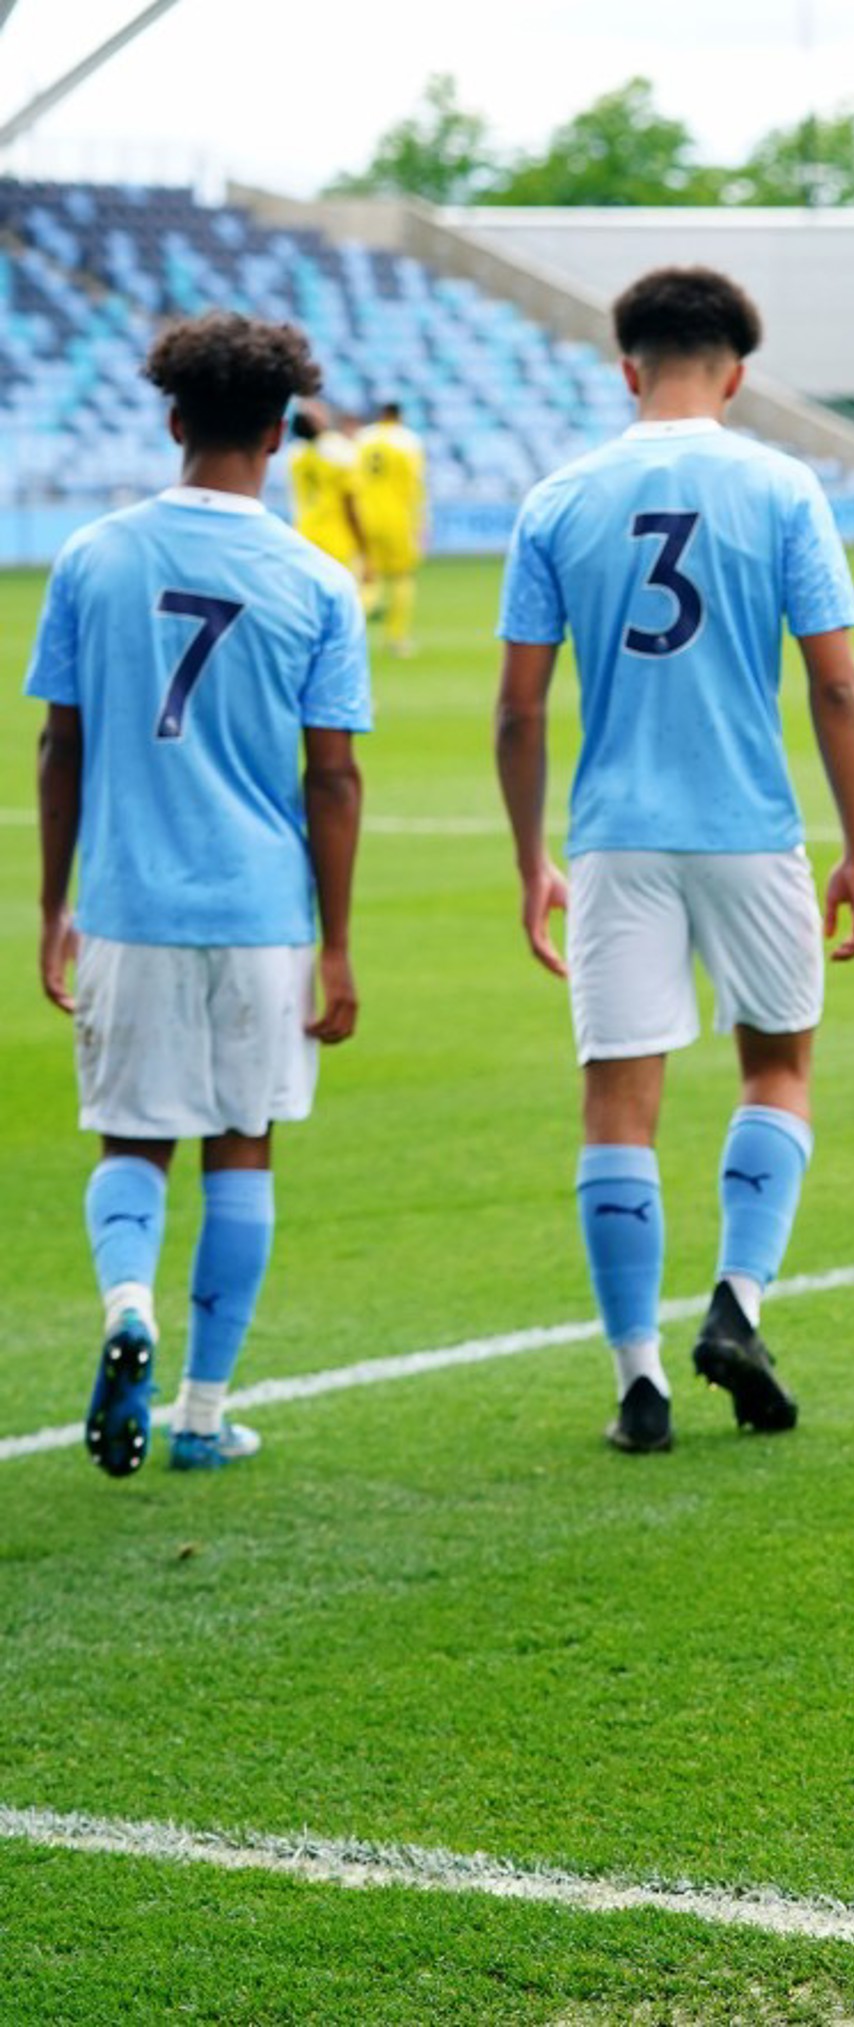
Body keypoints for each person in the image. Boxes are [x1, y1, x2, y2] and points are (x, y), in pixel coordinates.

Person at [494, 265, 854, 1456]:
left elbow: (518, 707)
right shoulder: (782, 485)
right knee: (779, 1068)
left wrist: (530, 858)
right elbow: (836, 683)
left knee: (619, 1100)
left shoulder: (559, 497)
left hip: (615, 835)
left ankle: (639, 1383)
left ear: (627, 367)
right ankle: (738, 1303)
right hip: (750, 827)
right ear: (737, 373)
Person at [27, 312, 369, 1477]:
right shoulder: (316, 580)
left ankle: (129, 1303)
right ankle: (203, 1416)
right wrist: (337, 943)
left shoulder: (92, 556)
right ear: (279, 433)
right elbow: (333, 775)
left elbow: (60, 747)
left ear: (173, 419)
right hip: (260, 912)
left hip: (129, 903)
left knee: (132, 1137)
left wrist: (53, 906)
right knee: (242, 1143)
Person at [355, 400, 428, 656]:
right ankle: (396, 638)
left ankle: (356, 625)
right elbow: (415, 485)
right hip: (397, 518)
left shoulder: (363, 438)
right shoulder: (408, 441)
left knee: (367, 575)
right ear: (400, 416)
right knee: (402, 576)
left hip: (365, 515)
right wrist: (420, 523)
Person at [287, 403, 370, 587]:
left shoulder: (297, 454)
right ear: (316, 423)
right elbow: (350, 504)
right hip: (335, 539)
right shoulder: (339, 452)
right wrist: (364, 547)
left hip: (305, 535)